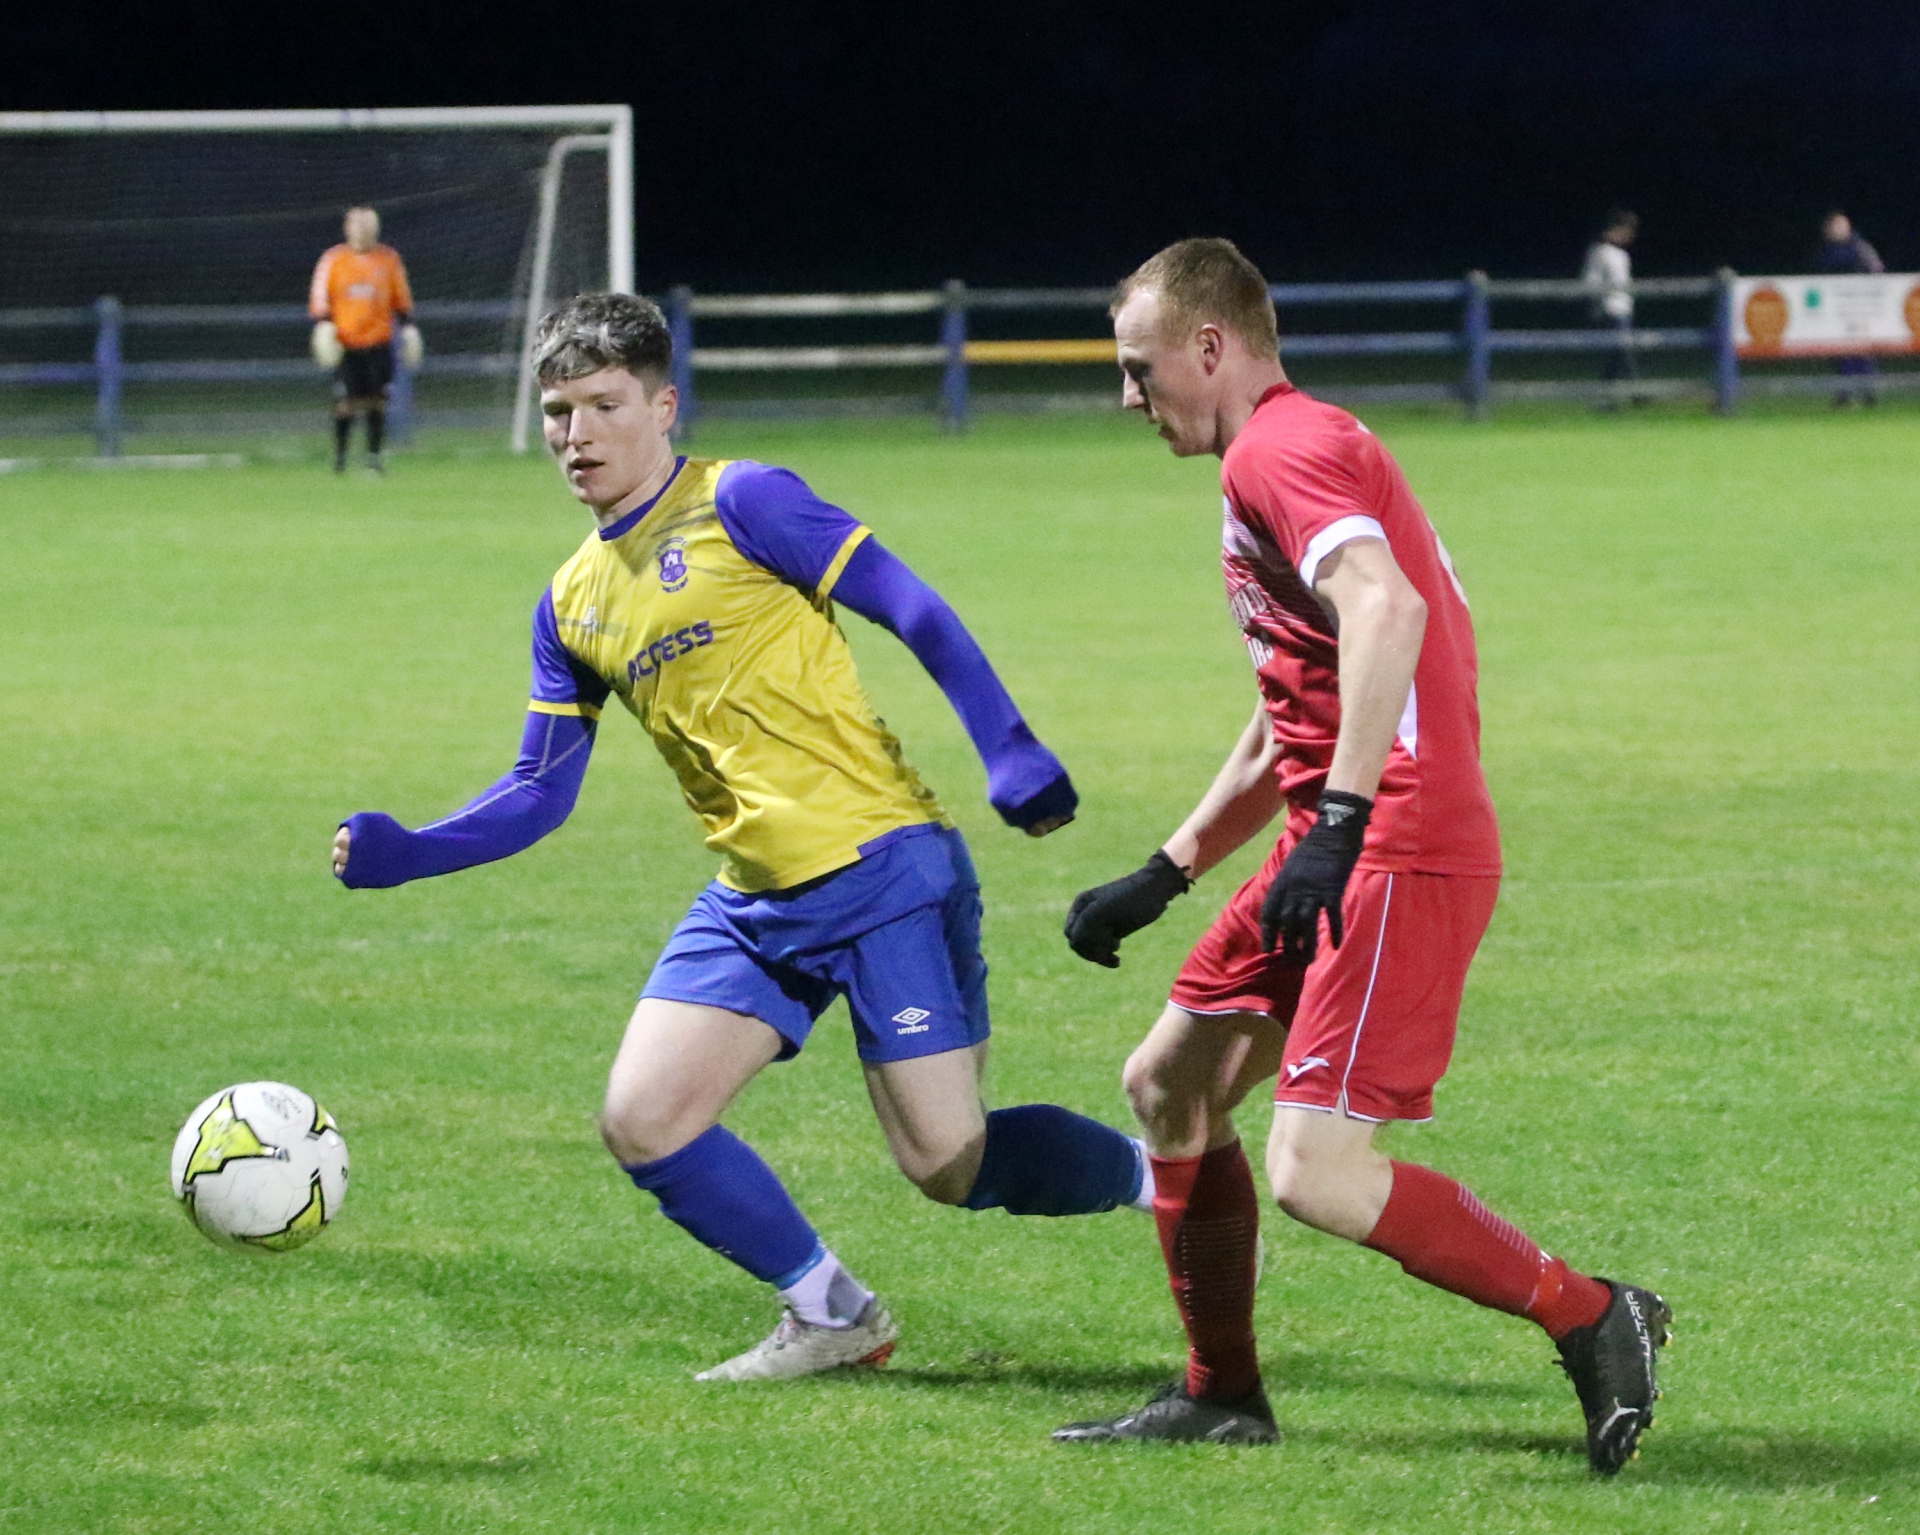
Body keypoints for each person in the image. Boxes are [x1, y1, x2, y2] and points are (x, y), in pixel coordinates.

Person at [331, 291, 1150, 1381]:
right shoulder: (570, 601)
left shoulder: (745, 501)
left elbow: (911, 603)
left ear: (663, 405)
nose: (576, 434)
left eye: (602, 405)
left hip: (882, 866)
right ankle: (831, 1310)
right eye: (558, 412)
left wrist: (1008, 746)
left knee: (950, 1160)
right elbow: (538, 787)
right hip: (755, 898)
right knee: (644, 1115)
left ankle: (1171, 1173)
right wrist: (412, 850)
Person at [1050, 239, 1669, 1473]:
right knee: (1170, 1085)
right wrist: (1164, 871)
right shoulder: (1272, 461)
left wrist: (1336, 826)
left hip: (1400, 838)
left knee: (1317, 1170)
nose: (1128, 397)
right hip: (1336, 834)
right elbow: (1297, 706)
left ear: (1209, 347)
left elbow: (1389, 611)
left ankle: (1595, 1312)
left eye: (1139, 367)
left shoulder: (1287, 446)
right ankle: (1221, 1391)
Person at [309, 206, 420, 472]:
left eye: (369, 226)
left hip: (378, 341)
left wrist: (408, 328)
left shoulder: (388, 260)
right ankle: (340, 459)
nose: (364, 231)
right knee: (345, 402)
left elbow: (400, 298)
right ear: (348, 229)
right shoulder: (333, 260)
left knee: (376, 400)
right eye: (359, 226)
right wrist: (324, 325)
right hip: (346, 343)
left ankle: (374, 458)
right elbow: (320, 298)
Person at [1818, 211, 1886, 407]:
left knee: (1863, 352)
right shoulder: (1823, 251)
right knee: (1841, 353)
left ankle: (1869, 394)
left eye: (1842, 226)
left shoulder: (1860, 247)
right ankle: (1844, 395)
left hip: (1860, 308)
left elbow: (1876, 269)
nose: (1838, 230)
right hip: (1834, 311)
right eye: (1835, 226)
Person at [1582, 209, 1639, 393]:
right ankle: (1637, 391)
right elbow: (1590, 281)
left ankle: (1609, 395)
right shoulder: (1599, 252)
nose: (1629, 236)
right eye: (1627, 230)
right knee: (1622, 351)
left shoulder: (1621, 254)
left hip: (1623, 308)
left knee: (1618, 354)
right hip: (1610, 309)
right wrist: (1599, 304)